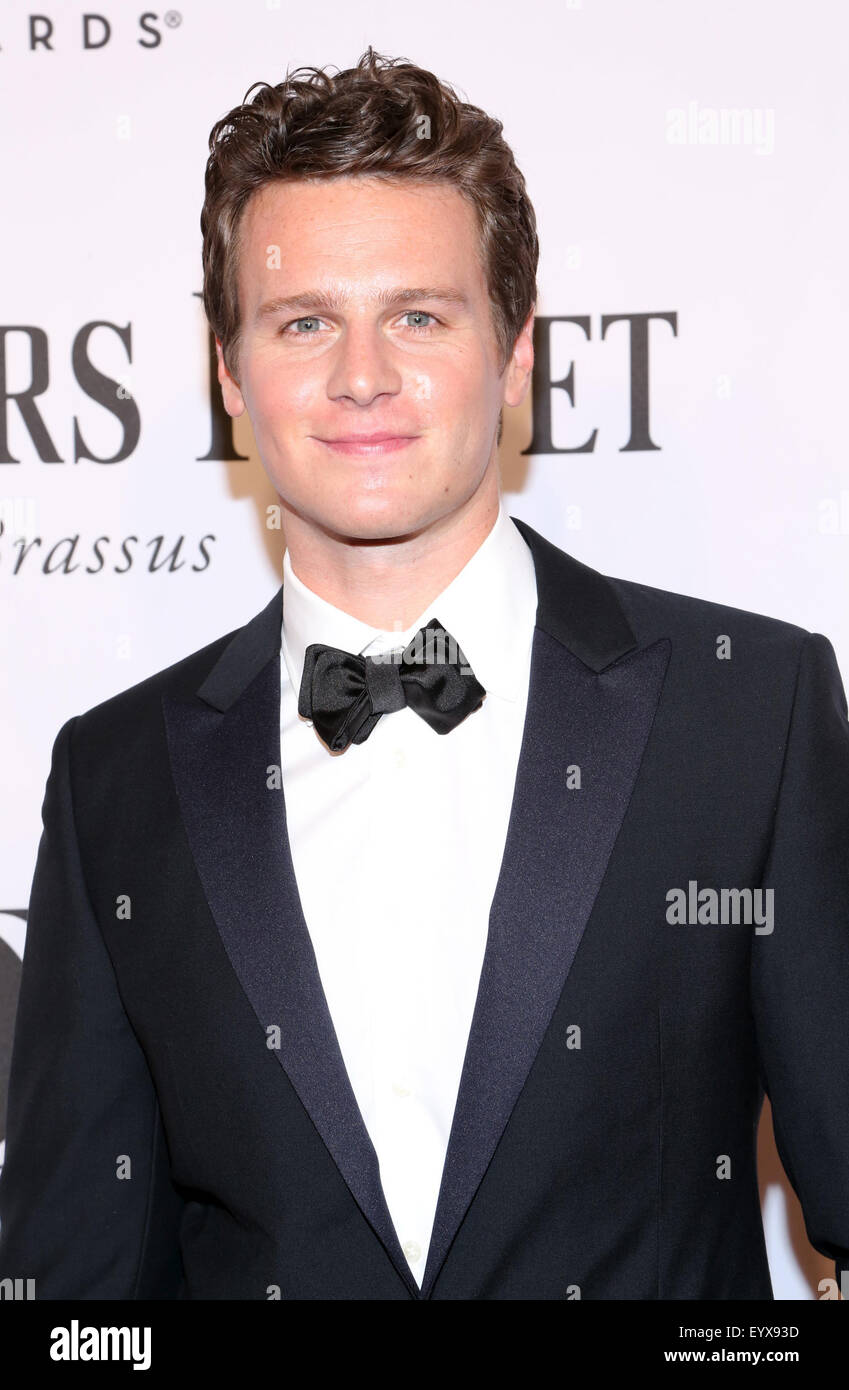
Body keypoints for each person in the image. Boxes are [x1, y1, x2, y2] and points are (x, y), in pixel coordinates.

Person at [1, 47, 848, 1301]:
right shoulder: (114, 778)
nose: (361, 377)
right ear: (231, 377)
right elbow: (77, 1295)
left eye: (417, 314)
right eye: (303, 323)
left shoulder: (747, 712)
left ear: (514, 357)